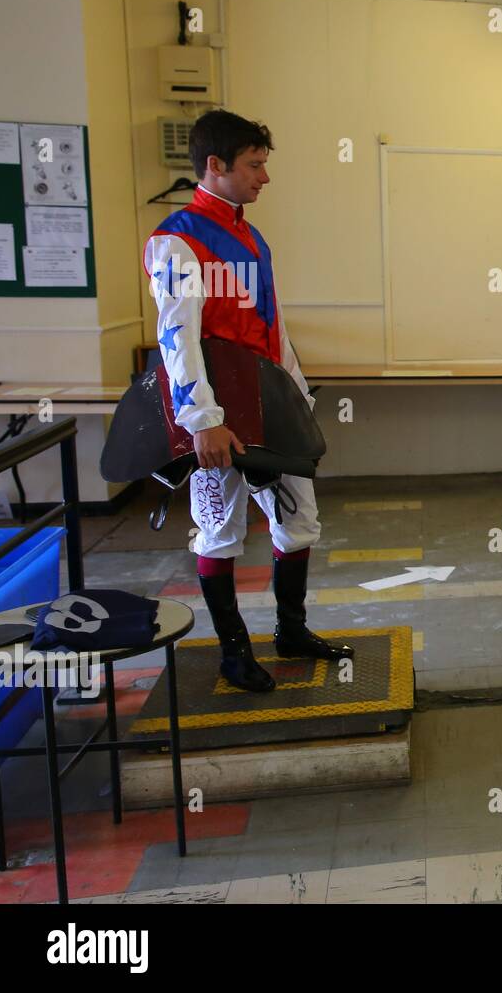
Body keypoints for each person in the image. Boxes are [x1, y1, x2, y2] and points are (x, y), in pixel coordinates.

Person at [143, 109, 353, 693]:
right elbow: (176, 339)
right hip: (215, 419)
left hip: (270, 410)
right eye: (255, 166)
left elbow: (272, 325)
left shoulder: (252, 237)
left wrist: (297, 396)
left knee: (299, 523)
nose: (265, 177)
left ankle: (291, 632)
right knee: (219, 532)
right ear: (216, 165)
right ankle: (235, 655)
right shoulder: (175, 241)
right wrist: (203, 422)